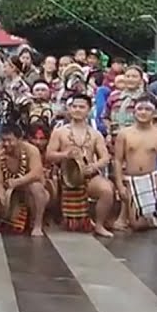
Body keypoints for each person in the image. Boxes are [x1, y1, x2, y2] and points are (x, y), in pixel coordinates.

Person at [45, 93, 116, 237]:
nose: (77, 109)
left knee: (107, 190)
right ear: (69, 109)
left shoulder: (95, 134)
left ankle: (100, 225)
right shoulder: (60, 132)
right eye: (74, 106)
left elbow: (105, 157)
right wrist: (65, 155)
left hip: (88, 174)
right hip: (66, 176)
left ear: (89, 110)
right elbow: (49, 155)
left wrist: (94, 166)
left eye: (81, 107)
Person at [113, 96, 157, 231]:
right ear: (134, 112)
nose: (143, 112)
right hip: (132, 178)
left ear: (153, 113)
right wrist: (119, 184)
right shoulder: (124, 134)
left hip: (153, 176)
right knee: (137, 225)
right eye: (140, 109)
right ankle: (142, 217)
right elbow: (118, 160)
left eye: (147, 109)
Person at [0, 123, 49, 236]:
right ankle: (8, 219)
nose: (6, 144)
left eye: (10, 140)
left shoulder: (31, 150)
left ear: (20, 139)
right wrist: (3, 200)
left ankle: (37, 225)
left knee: (37, 186)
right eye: (3, 140)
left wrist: (18, 182)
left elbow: (37, 173)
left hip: (29, 192)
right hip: (10, 193)